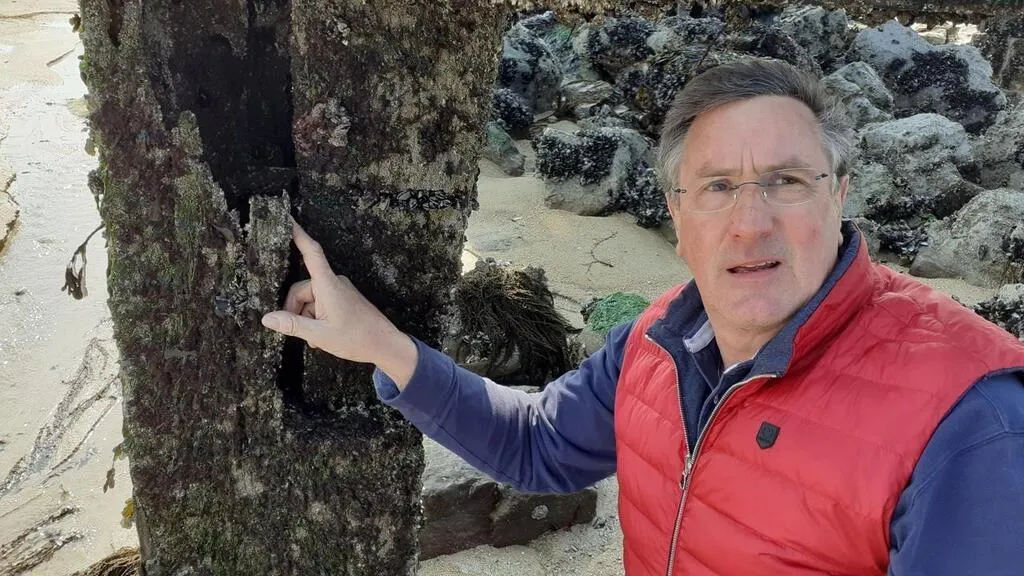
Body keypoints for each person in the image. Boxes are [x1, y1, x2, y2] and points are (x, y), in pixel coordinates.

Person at [260, 59, 1024, 575]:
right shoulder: (660, 339)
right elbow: (540, 445)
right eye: (717, 185)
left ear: (840, 193)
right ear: (675, 211)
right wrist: (382, 346)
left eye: (787, 180)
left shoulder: (971, 418)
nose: (750, 221)